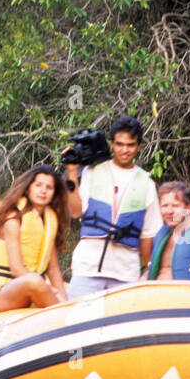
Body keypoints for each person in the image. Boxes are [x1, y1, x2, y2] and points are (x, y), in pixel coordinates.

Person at [63, 115, 161, 298]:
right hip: (87, 268)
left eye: (130, 145)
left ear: (139, 146)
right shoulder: (93, 172)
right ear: (112, 144)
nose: (124, 150)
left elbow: (148, 235)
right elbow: (75, 212)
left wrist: (148, 273)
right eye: (119, 144)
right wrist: (71, 172)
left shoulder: (146, 183)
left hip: (125, 273)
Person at [0, 165, 68, 312]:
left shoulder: (49, 219)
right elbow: (16, 269)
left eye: (49, 188)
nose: (43, 191)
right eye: (38, 185)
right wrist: (51, 290)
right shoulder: (13, 217)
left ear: (54, 194)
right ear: (28, 188)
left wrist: (65, 299)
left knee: (60, 289)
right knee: (35, 281)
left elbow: (53, 268)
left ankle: (66, 312)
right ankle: (63, 314)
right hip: (3, 292)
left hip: (34, 288)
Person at [146, 181, 190, 281]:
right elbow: (149, 273)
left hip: (184, 294)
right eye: (165, 206)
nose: (169, 211)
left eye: (175, 206)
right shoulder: (162, 234)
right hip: (155, 293)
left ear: (188, 207)